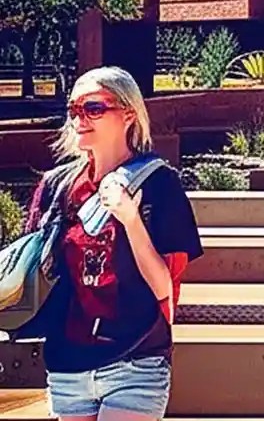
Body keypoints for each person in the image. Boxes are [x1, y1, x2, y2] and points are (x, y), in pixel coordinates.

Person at [24, 66, 203, 421]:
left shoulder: (159, 184)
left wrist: (130, 219)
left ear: (129, 114)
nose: (80, 119)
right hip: (67, 363)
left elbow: (165, 290)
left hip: (134, 360)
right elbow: (34, 271)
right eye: (74, 109)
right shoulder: (57, 186)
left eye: (93, 108)